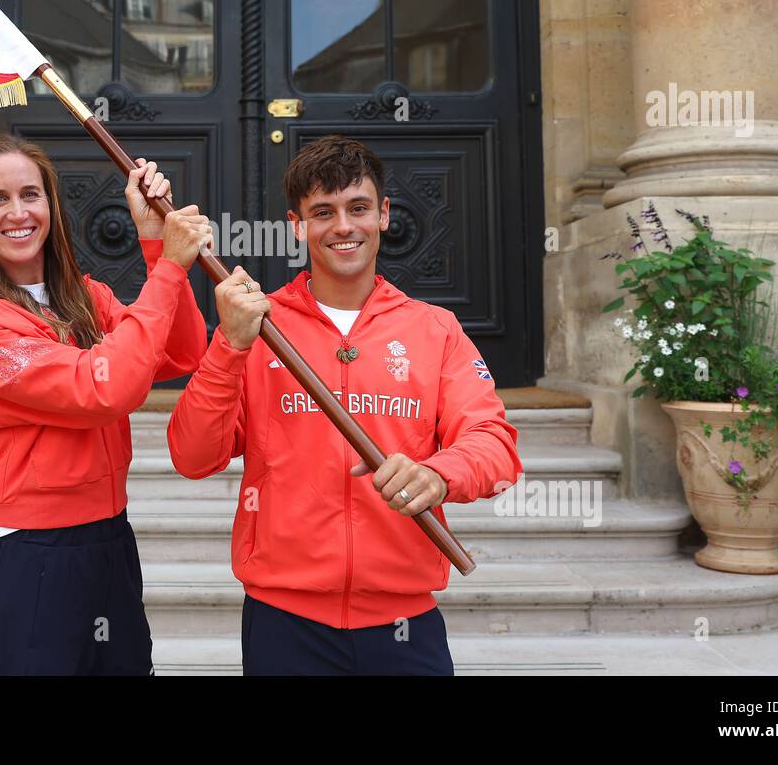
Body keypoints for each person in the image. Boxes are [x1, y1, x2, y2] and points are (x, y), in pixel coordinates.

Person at [167, 134, 523, 675]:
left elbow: (494, 444)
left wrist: (439, 473)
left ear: (383, 214)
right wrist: (229, 345)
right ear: (296, 225)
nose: (343, 226)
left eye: (358, 208)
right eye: (322, 212)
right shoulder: (259, 326)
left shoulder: (434, 329)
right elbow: (194, 457)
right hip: (283, 620)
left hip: (405, 622)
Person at [0, 134, 210, 675]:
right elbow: (104, 389)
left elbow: (180, 353)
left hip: (109, 540)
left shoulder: (82, 295)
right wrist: (168, 267)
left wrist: (151, 240)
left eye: (31, 194)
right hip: (28, 557)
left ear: (51, 203)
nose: (18, 212)